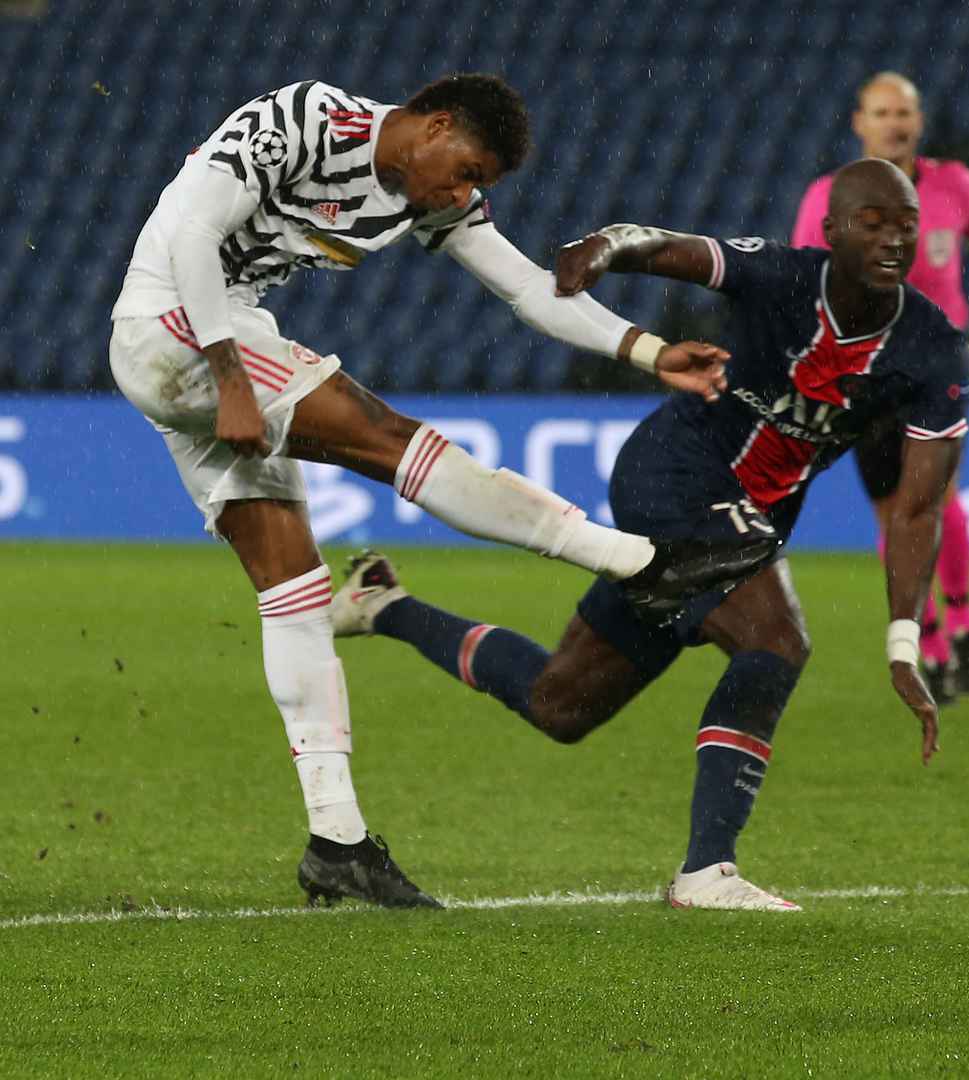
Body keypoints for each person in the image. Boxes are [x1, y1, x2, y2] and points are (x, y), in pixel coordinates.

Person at [107, 75, 759, 909]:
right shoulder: (305, 118)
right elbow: (195, 233)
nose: (464, 193)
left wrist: (648, 351)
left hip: (217, 335)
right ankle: (640, 563)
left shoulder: (428, 197)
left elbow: (526, 287)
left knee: (294, 590)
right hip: (176, 328)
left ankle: (336, 840)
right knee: (388, 438)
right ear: (435, 125)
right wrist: (230, 375)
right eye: (467, 170)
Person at [331, 159, 969, 911]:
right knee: (775, 641)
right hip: (674, 476)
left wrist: (903, 644)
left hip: (748, 522)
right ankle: (707, 872)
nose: (893, 238)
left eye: (906, 224)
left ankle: (382, 604)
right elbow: (673, 248)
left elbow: (916, 509)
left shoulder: (932, 349)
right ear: (832, 230)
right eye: (873, 222)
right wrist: (605, 245)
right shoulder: (783, 277)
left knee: (559, 704)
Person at [791, 71, 969, 701]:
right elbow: (803, 277)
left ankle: (963, 623)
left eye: (903, 113)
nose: (894, 124)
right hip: (865, 373)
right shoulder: (828, 197)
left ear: (918, 122)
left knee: (937, 494)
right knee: (893, 513)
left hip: (936, 364)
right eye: (882, 113)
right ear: (859, 123)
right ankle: (934, 640)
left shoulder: (957, 185)